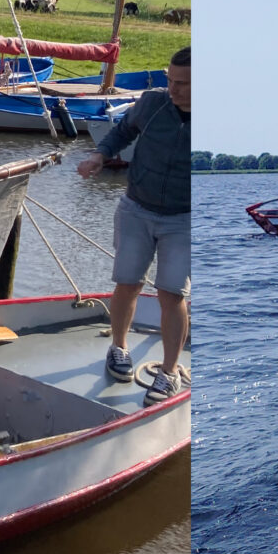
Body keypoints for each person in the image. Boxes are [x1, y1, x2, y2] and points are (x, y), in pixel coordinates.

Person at [80, 46, 191, 404]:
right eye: (170, 80)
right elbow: (122, 132)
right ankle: (119, 348)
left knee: (172, 295)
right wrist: (100, 154)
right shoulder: (152, 102)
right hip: (136, 209)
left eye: (183, 84)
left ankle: (170, 372)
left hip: (184, 220)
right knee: (127, 283)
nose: (173, 90)